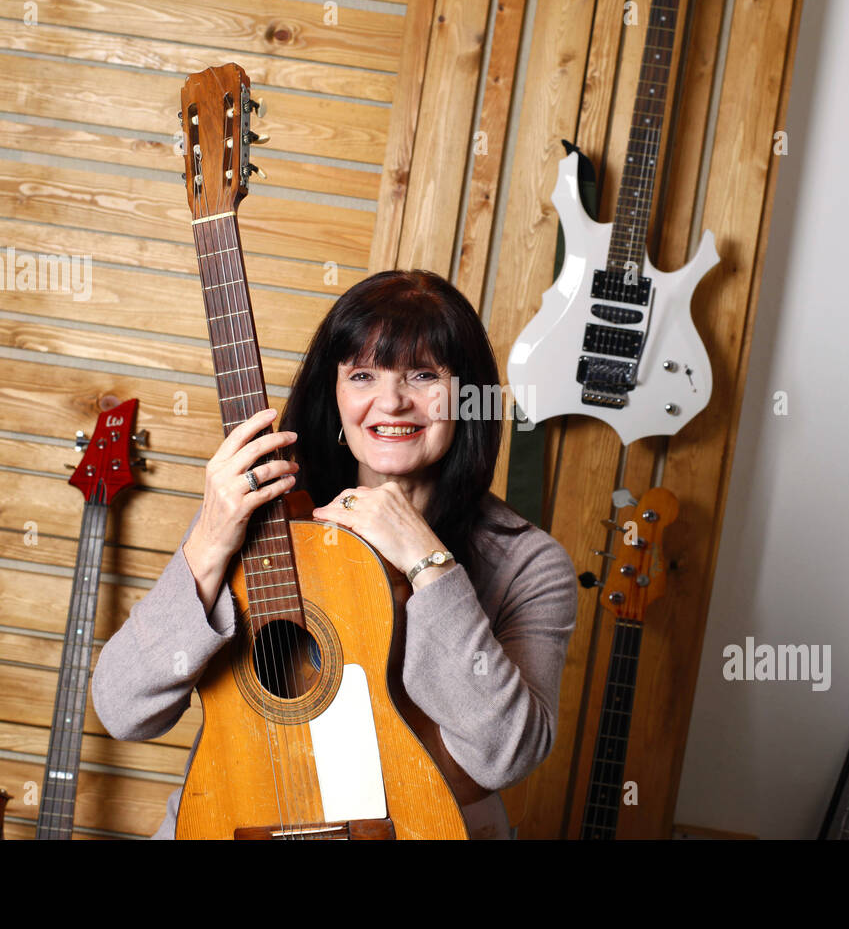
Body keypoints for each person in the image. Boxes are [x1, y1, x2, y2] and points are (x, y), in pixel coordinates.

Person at [91, 269, 578, 839]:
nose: (390, 402)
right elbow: (125, 711)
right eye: (363, 375)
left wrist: (427, 560)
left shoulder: (529, 562)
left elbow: (507, 756)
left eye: (423, 375)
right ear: (336, 393)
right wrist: (209, 541)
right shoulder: (260, 517)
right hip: (228, 822)